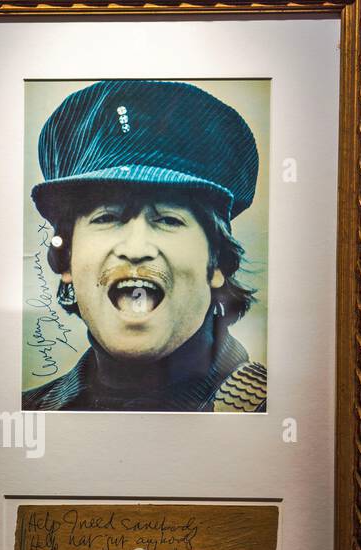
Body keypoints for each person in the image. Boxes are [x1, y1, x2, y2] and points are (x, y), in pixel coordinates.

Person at [23, 79, 266, 413]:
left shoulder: (276, 408)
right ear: (66, 262)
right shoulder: (27, 413)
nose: (136, 249)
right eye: (107, 217)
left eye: (168, 220)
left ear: (217, 263)